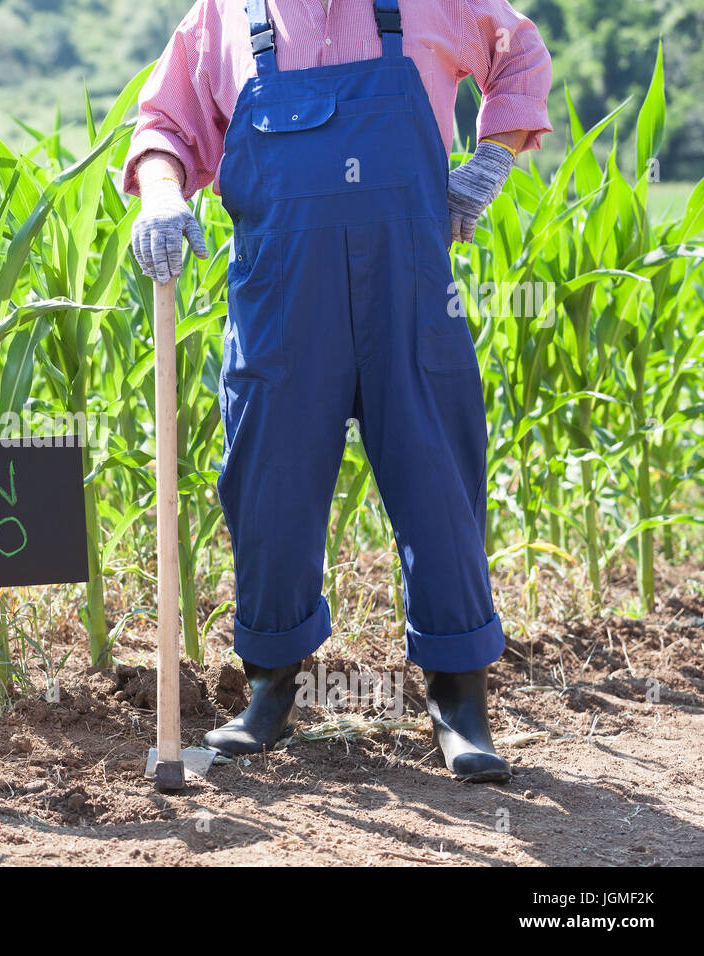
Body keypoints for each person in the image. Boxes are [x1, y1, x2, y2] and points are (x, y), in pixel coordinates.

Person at [123, 0, 552, 782]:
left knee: (440, 488)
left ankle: (460, 707)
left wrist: (489, 164)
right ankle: (269, 695)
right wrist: (161, 193)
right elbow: (165, 128)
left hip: (410, 291)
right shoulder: (222, 16)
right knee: (267, 489)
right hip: (283, 302)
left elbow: (517, 50)